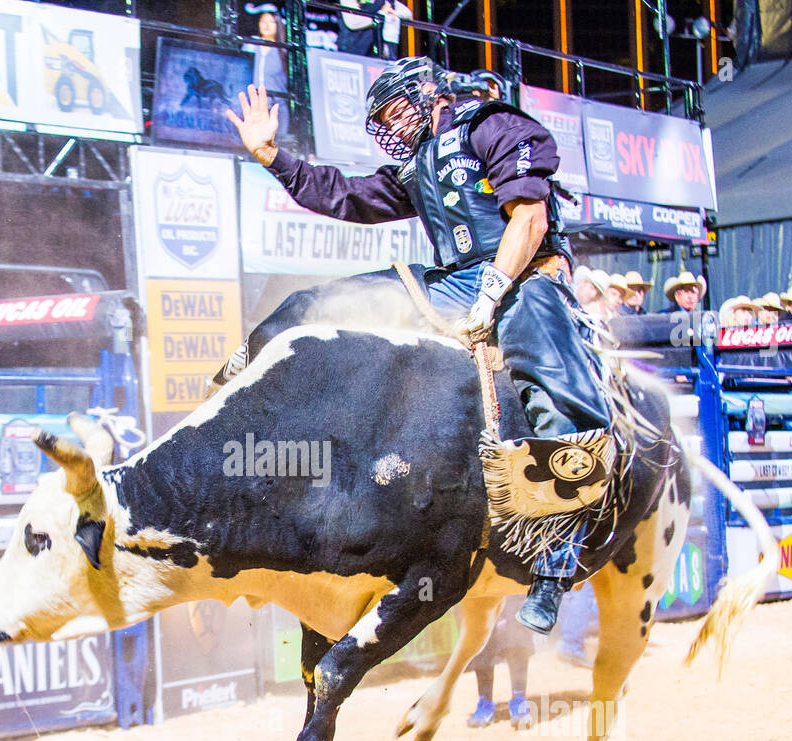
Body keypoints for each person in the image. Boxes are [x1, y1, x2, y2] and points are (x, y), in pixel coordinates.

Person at [224, 59, 612, 635]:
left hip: (527, 277)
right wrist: (272, 157)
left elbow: (529, 218)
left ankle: (554, 566)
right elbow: (347, 197)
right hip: (455, 281)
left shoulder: (491, 126)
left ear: (427, 95)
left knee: (557, 396)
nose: (389, 125)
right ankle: (250, 358)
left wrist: (493, 293)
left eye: (393, 111)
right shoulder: (417, 166)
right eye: (380, 118)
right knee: (337, 299)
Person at [467, 596, 536, 730]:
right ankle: (485, 702)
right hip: (482, 585)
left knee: (517, 632)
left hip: (512, 583)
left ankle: (519, 699)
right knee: (480, 638)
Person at [243, 5, 289, 139]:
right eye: (263, 21)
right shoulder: (251, 45)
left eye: (271, 22)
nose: (267, 25)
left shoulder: (284, 50)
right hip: (255, 106)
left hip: (277, 106)